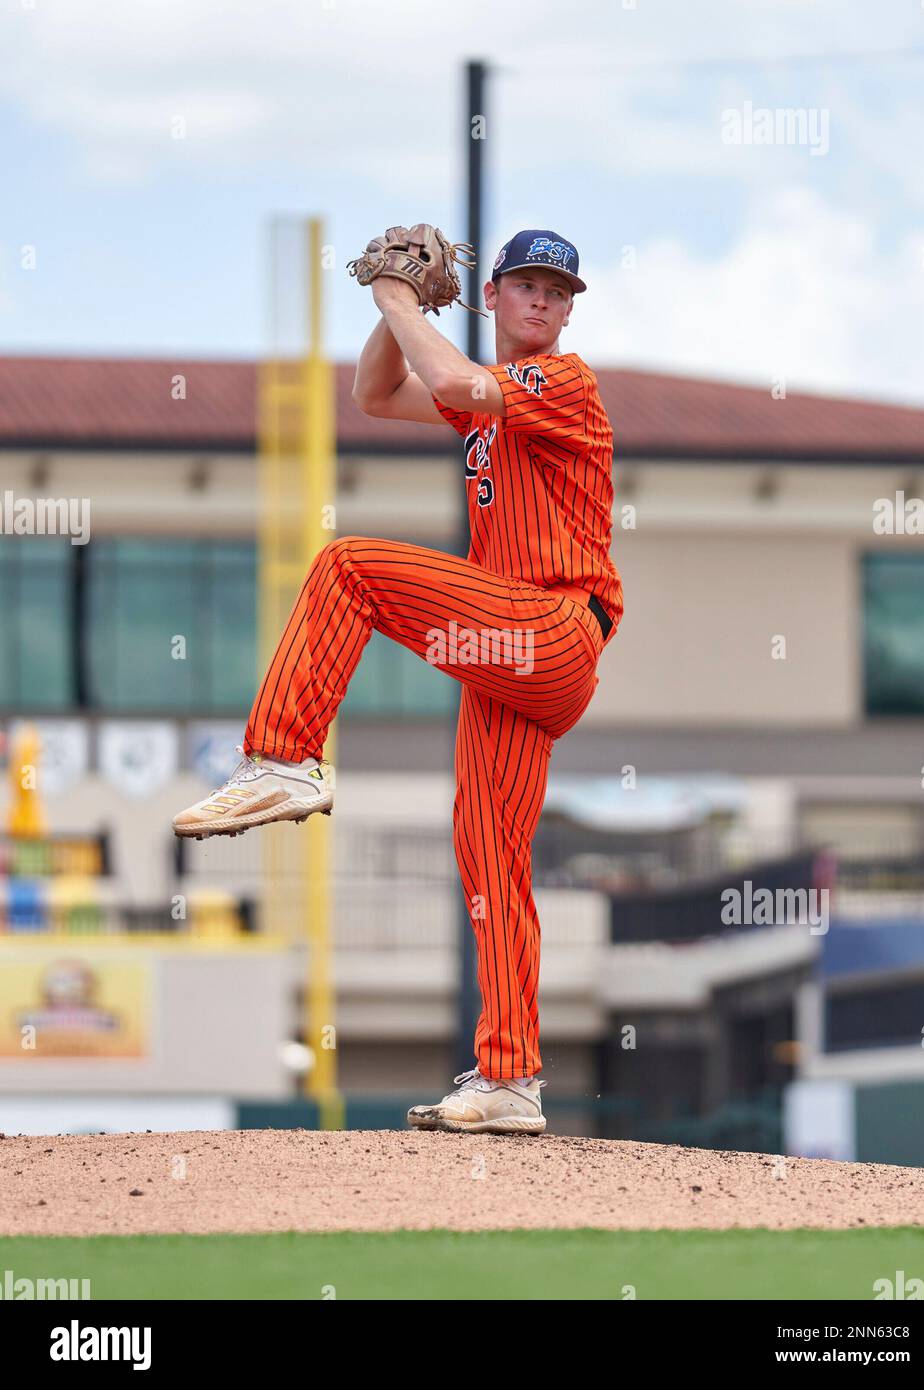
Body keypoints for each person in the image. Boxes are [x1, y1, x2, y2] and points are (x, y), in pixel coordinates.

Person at [173, 229, 624, 1135]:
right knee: (490, 856)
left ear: (571, 307)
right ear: (491, 296)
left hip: (554, 629)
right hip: (507, 651)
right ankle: (510, 1081)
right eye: (526, 285)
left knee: (350, 568)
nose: (542, 301)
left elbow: (459, 384)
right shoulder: (489, 401)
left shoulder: (563, 380)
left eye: (557, 289)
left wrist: (396, 298)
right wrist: (393, 304)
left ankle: (285, 759)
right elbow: (375, 395)